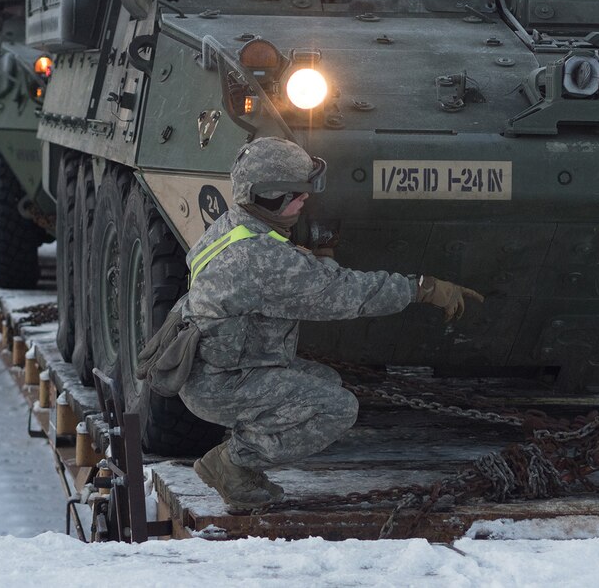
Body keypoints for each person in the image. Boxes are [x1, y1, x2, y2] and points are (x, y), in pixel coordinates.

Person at [177, 137, 484, 510]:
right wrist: (422, 288)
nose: (307, 199)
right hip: (221, 382)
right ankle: (233, 465)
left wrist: (317, 259)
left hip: (219, 365)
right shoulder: (259, 257)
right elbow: (346, 294)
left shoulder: (234, 226)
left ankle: (241, 457)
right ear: (272, 196)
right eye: (299, 193)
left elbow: (293, 279)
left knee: (324, 383)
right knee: (336, 408)